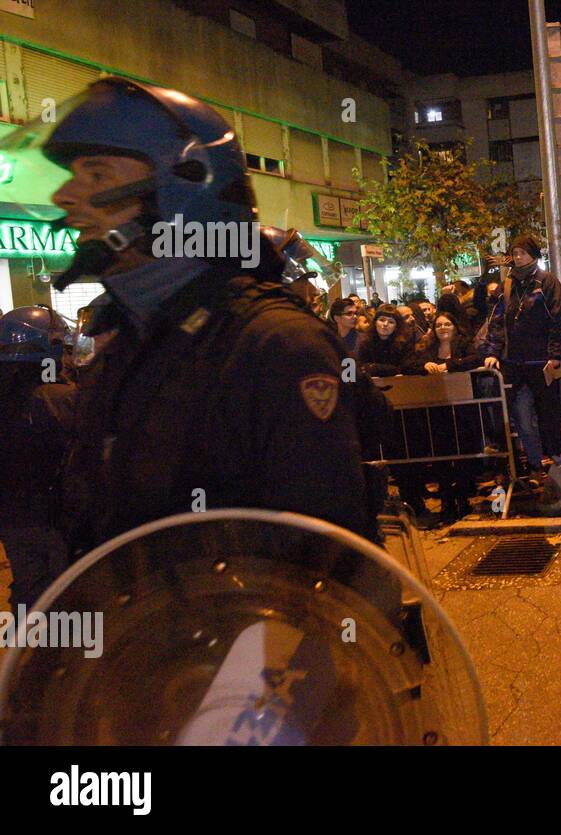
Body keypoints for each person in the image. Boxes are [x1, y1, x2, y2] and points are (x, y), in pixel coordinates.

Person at [5, 77, 377, 549]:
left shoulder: (275, 344)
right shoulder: (129, 345)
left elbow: (323, 569)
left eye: (96, 176)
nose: (65, 196)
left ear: (181, 190)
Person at [484, 234, 561, 515]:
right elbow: (497, 322)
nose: (518, 257)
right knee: (521, 415)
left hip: (541, 362)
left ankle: (557, 463)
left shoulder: (547, 282)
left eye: (522, 252)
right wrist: (494, 352)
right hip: (515, 363)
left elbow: (559, 321)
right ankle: (536, 465)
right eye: (515, 253)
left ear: (533, 254)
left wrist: (554, 355)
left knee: (548, 414)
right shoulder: (507, 285)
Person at [0, 307, 76, 607]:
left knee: (29, 588)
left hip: (13, 518)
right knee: (66, 594)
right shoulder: (60, 398)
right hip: (56, 516)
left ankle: (32, 649)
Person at [414, 312, 484, 525]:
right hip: (437, 409)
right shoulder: (428, 349)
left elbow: (475, 359)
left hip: (462, 409)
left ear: (455, 326)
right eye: (438, 325)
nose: (443, 328)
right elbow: (411, 364)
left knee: (463, 454)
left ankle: (462, 498)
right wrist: (424, 367)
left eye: (447, 324)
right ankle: (446, 500)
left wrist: (450, 365)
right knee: (441, 456)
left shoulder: (464, 345)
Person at [357, 304, 420, 378]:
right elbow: (363, 368)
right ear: (375, 322)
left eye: (391, 322)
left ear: (396, 326)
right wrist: (392, 369)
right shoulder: (366, 343)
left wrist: (375, 367)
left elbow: (407, 368)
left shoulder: (404, 343)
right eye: (382, 320)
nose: (385, 324)